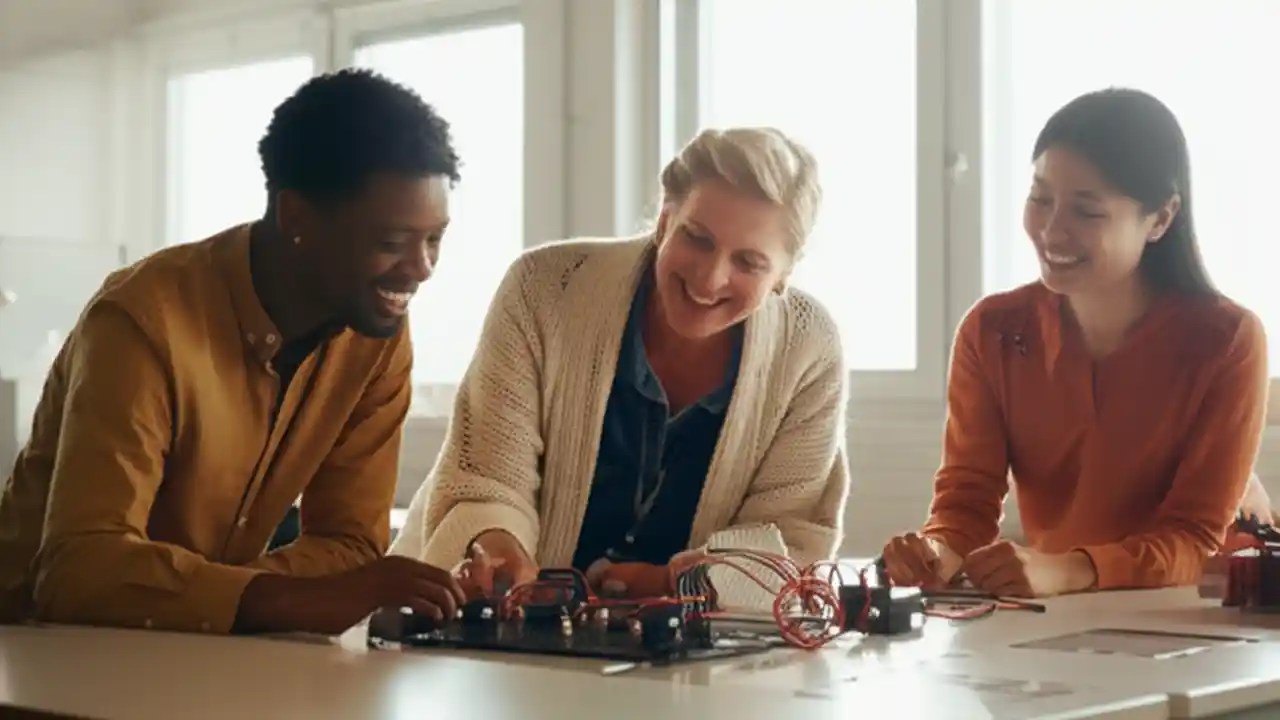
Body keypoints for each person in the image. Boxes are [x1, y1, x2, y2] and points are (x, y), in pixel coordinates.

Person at [0, 69, 466, 634]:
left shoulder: (375, 331)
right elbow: (81, 570)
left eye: (434, 239)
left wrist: (232, 594)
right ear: (296, 216)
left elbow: (349, 546)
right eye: (390, 243)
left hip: (199, 655)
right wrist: (288, 598)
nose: (421, 270)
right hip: (38, 654)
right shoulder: (142, 320)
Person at [391, 127, 850, 597]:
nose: (711, 278)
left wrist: (671, 585)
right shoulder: (543, 289)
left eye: (749, 263)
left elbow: (790, 539)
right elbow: (489, 478)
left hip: (691, 656)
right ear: (665, 221)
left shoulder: (810, 349)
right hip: (478, 617)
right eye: (697, 238)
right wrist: (496, 546)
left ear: (783, 275)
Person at [882, 88, 1269, 598]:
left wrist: (1065, 570)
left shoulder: (1228, 339)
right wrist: (935, 553)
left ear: (1160, 218)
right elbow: (966, 506)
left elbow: (1196, 537)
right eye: (1040, 198)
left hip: (1213, 607)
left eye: (1087, 212)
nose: (1051, 230)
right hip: (1075, 605)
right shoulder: (992, 330)